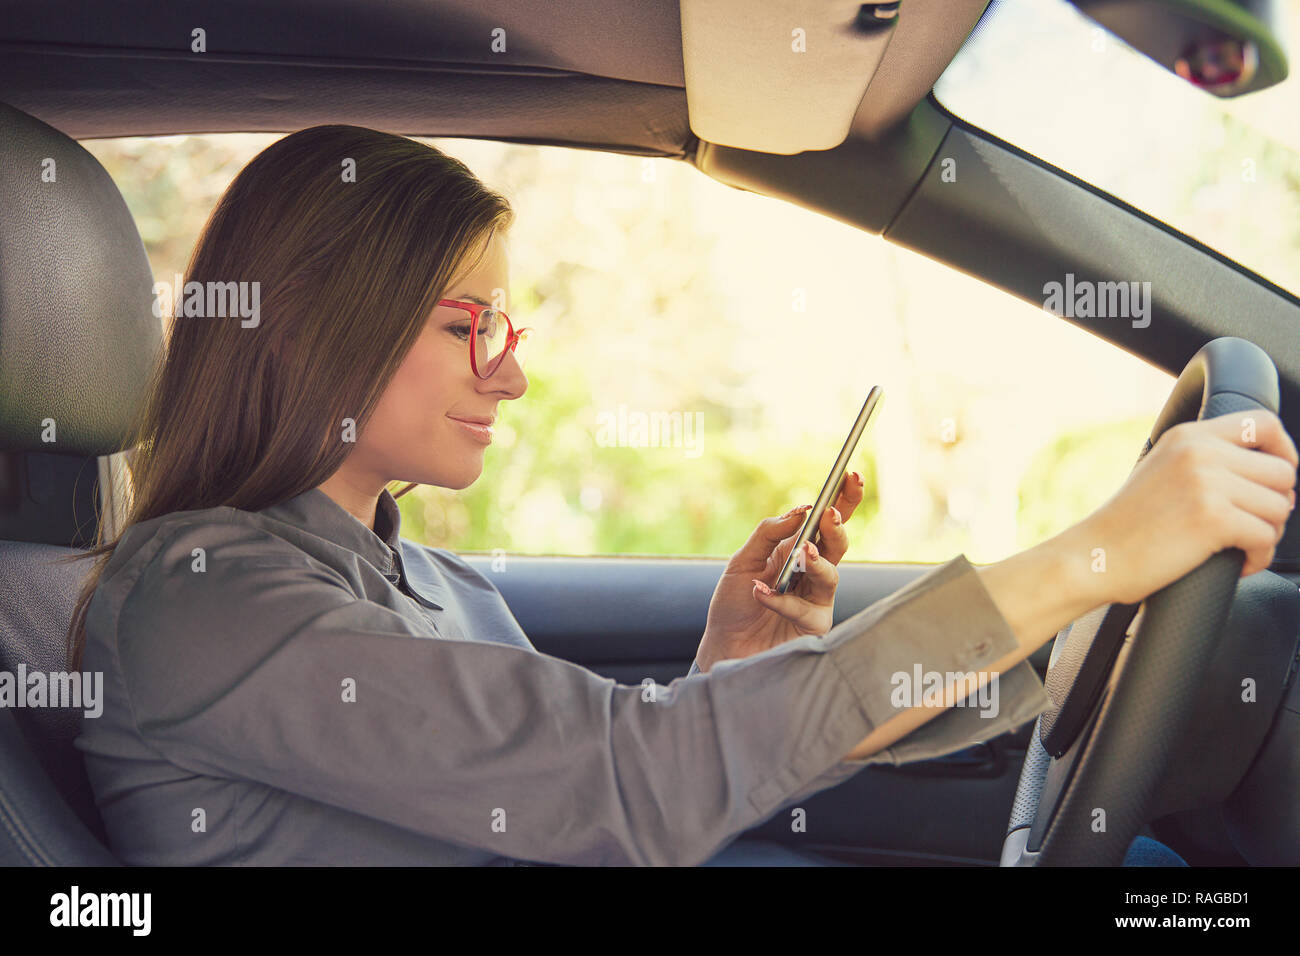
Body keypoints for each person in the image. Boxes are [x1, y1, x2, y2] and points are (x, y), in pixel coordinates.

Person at [66, 125, 1298, 867]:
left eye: (507, 326)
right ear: (320, 322)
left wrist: (727, 669)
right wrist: (1096, 555)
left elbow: (579, 802)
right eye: (466, 324)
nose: (511, 371)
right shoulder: (201, 600)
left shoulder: (427, 578)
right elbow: (624, 783)